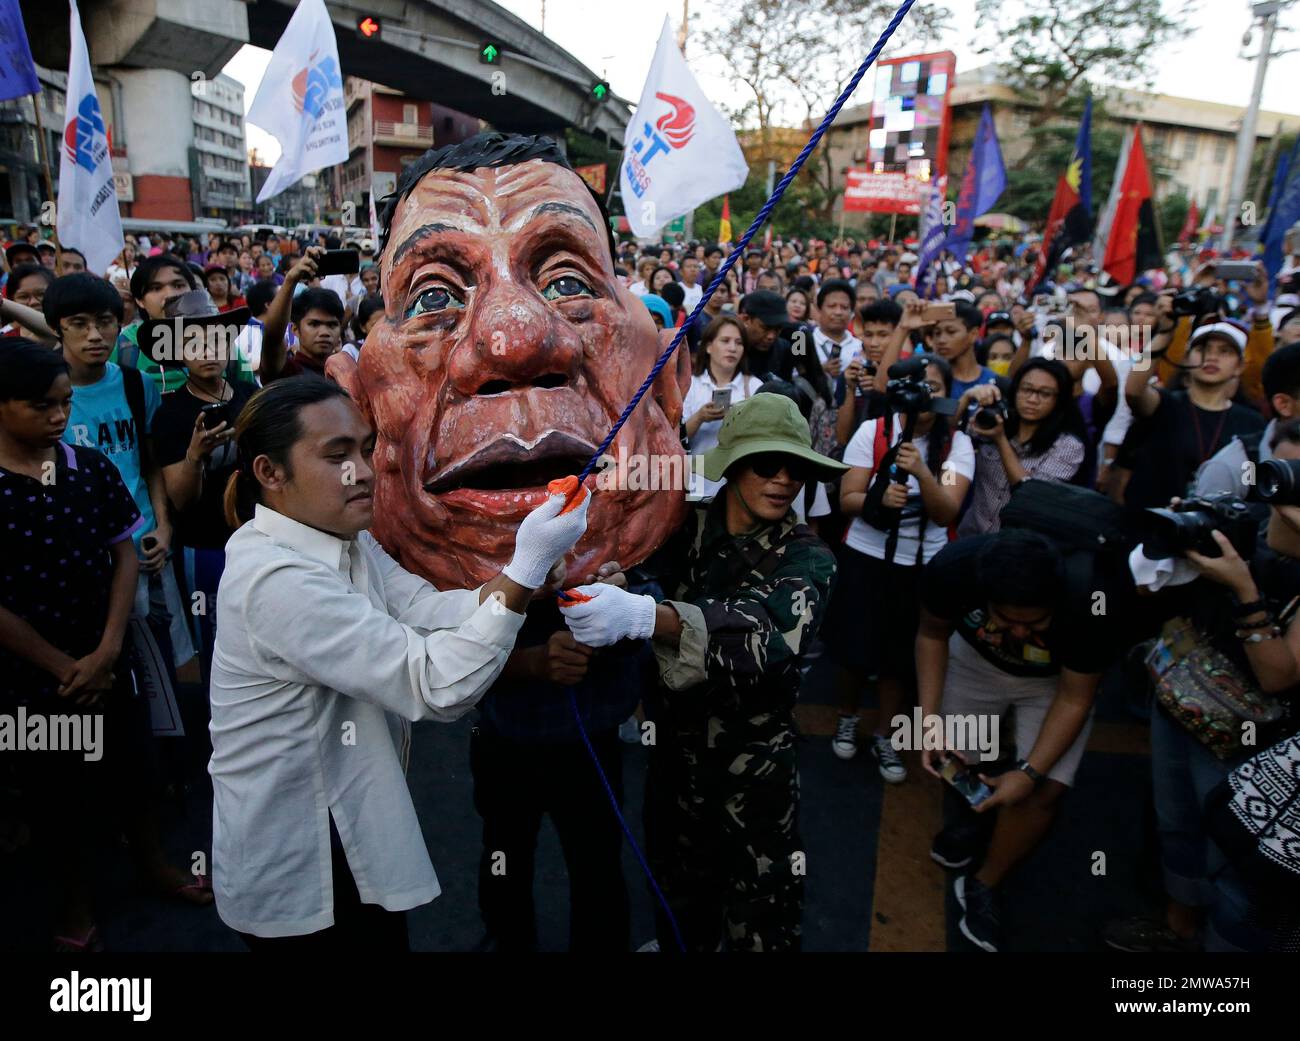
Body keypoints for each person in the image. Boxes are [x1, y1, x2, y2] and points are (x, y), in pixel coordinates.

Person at [209, 377, 591, 948]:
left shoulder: (344, 539)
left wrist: (523, 581)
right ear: (270, 473)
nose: (362, 471)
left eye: (364, 449)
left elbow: (425, 608)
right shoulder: (275, 578)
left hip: (352, 827)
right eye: (335, 455)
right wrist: (525, 568)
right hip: (300, 854)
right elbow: (433, 684)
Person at [560, 394, 848, 952]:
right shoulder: (677, 527)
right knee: (674, 892)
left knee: (760, 915)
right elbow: (622, 557)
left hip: (753, 773)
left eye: (798, 467)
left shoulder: (808, 558)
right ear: (734, 464)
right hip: (672, 759)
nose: (785, 479)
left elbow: (767, 639)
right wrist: (614, 584)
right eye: (768, 463)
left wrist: (649, 616)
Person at [0, 341, 209, 952]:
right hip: (33, 678)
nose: (59, 417)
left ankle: (154, 865)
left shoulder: (87, 466)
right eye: (41, 406)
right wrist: (65, 665)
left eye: (65, 403)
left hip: (109, 658)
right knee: (52, 795)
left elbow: (124, 548)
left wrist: (110, 646)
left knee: (132, 771)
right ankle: (73, 901)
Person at [917, 529, 1125, 952]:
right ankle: (975, 822)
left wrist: (1030, 773)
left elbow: (1075, 697)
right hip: (975, 663)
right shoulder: (953, 568)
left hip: (1055, 682)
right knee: (959, 758)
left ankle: (985, 883)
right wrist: (929, 721)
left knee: (1042, 791)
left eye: (1033, 623)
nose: (1017, 632)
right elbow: (932, 635)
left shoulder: (1094, 599)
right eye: (1005, 619)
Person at [828, 355, 974, 776]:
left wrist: (923, 475)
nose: (925, 396)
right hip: (867, 556)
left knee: (899, 659)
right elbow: (847, 499)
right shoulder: (874, 431)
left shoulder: (957, 444)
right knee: (854, 650)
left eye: (935, 387)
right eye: (918, 385)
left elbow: (947, 511)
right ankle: (847, 715)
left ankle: (887, 737)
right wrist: (877, 499)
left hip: (921, 562)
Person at [145, 291, 252, 682]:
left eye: (216, 338)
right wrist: (194, 456)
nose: (208, 349)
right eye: (193, 342)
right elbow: (180, 499)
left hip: (254, 541)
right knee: (212, 640)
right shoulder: (171, 413)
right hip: (204, 549)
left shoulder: (248, 397)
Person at [1122, 320, 1265, 511]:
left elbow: (1253, 484)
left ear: (1239, 366)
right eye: (1202, 349)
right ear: (1187, 358)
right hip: (1154, 524)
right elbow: (1133, 391)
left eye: (1225, 351)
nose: (1212, 357)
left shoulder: (1253, 423)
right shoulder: (1164, 404)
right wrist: (1164, 333)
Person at [957, 359, 1087, 536]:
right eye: (1027, 389)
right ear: (1015, 390)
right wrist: (967, 397)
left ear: (1059, 399)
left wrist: (1000, 440)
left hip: (1017, 545)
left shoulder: (1068, 446)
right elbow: (947, 436)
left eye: (1045, 394)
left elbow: (1029, 492)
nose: (1033, 399)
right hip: (971, 535)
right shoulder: (993, 420)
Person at [682, 315, 759, 498]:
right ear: (708, 346)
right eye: (725, 341)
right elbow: (675, 439)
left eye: (739, 343)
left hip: (737, 486)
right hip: (695, 482)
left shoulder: (755, 387)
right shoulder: (689, 386)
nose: (732, 348)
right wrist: (700, 417)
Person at [258, 248, 344, 382]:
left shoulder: (346, 377)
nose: (324, 332)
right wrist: (291, 280)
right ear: (295, 329)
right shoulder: (287, 371)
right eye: (314, 324)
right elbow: (272, 336)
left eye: (332, 325)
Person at [119, 254, 199, 393]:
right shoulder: (124, 346)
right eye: (156, 288)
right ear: (139, 300)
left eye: (178, 285)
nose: (170, 295)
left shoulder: (220, 341)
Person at [736, 290, 791, 381]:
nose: (771, 336)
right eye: (765, 328)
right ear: (745, 319)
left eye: (778, 329)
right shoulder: (728, 349)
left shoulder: (783, 349)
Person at [2, 263, 53, 339]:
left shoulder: (69, 328)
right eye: (23, 297)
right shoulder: (5, 338)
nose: (33, 302)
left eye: (41, 294)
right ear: (12, 300)